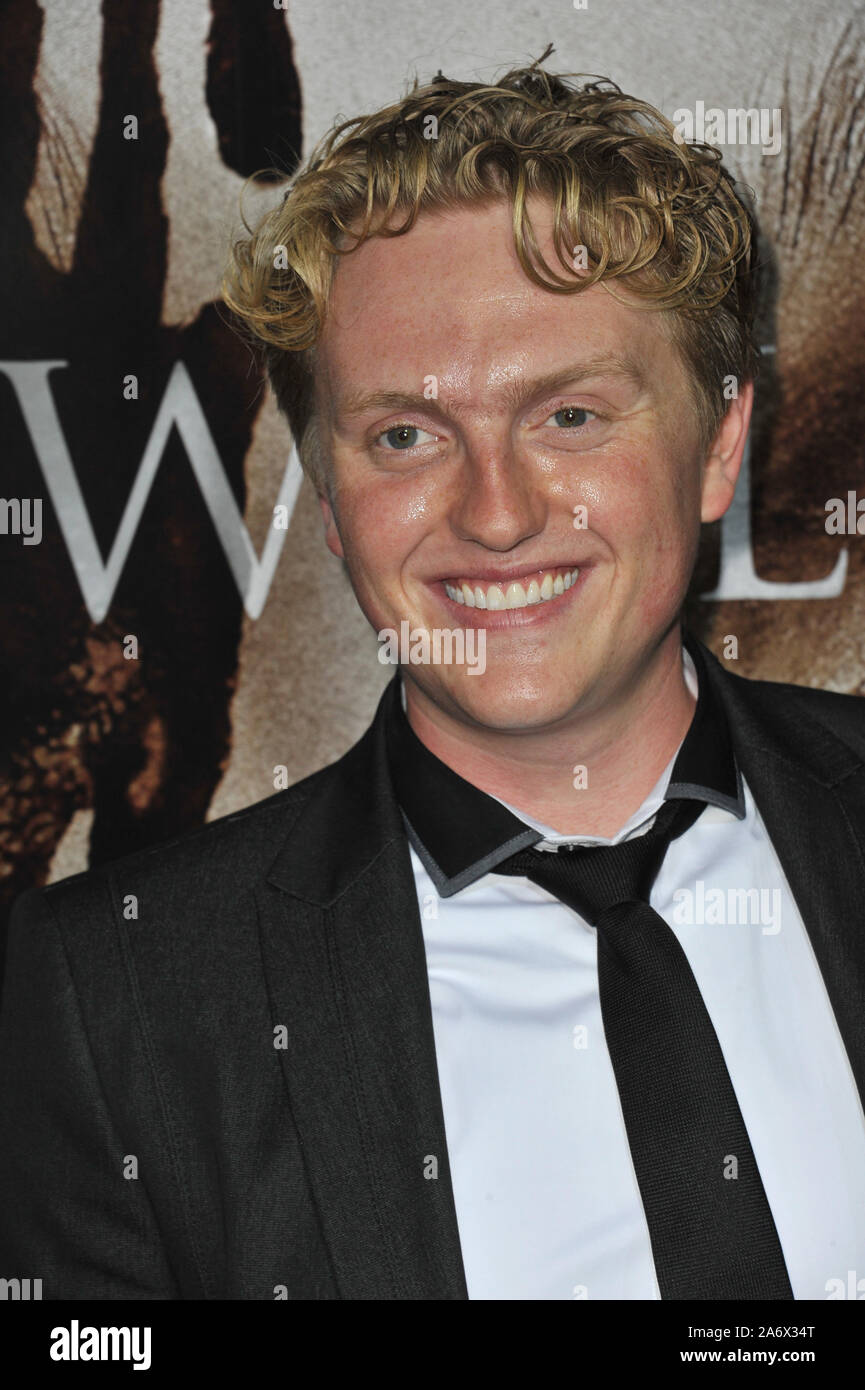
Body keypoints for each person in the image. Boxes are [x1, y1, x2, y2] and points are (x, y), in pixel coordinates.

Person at [2, 52, 864, 1302]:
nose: (495, 514)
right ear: (330, 497)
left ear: (718, 445)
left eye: (569, 416)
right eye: (405, 434)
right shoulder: (118, 1001)